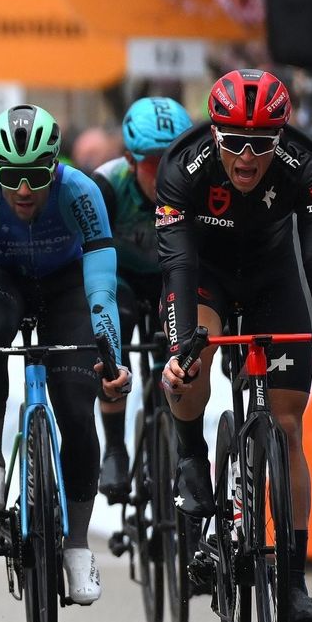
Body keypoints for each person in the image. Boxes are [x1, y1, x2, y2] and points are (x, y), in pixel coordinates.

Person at [155, 70, 312, 622]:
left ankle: (294, 584)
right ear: (216, 135)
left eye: (261, 144)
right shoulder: (184, 166)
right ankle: (192, 456)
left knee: (288, 426)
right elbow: (177, 266)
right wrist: (180, 351)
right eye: (234, 144)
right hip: (205, 278)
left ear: (280, 137)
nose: (247, 158)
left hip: (274, 280)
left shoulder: (304, 163)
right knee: (192, 367)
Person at [0, 105, 131, 608]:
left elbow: (101, 290)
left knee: (76, 405)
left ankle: (76, 545)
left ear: (55, 166)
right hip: (2, 282)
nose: (23, 190)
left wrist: (110, 359)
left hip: (66, 287)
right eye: (11, 176)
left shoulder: (82, 193)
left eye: (35, 176)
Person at [89, 96, 192, 500]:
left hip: (172, 278)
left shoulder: (194, 186)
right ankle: (115, 446)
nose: (166, 170)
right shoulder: (105, 186)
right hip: (122, 279)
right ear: (131, 160)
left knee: (180, 350)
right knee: (115, 331)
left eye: (175, 158)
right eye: (153, 160)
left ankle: (182, 448)